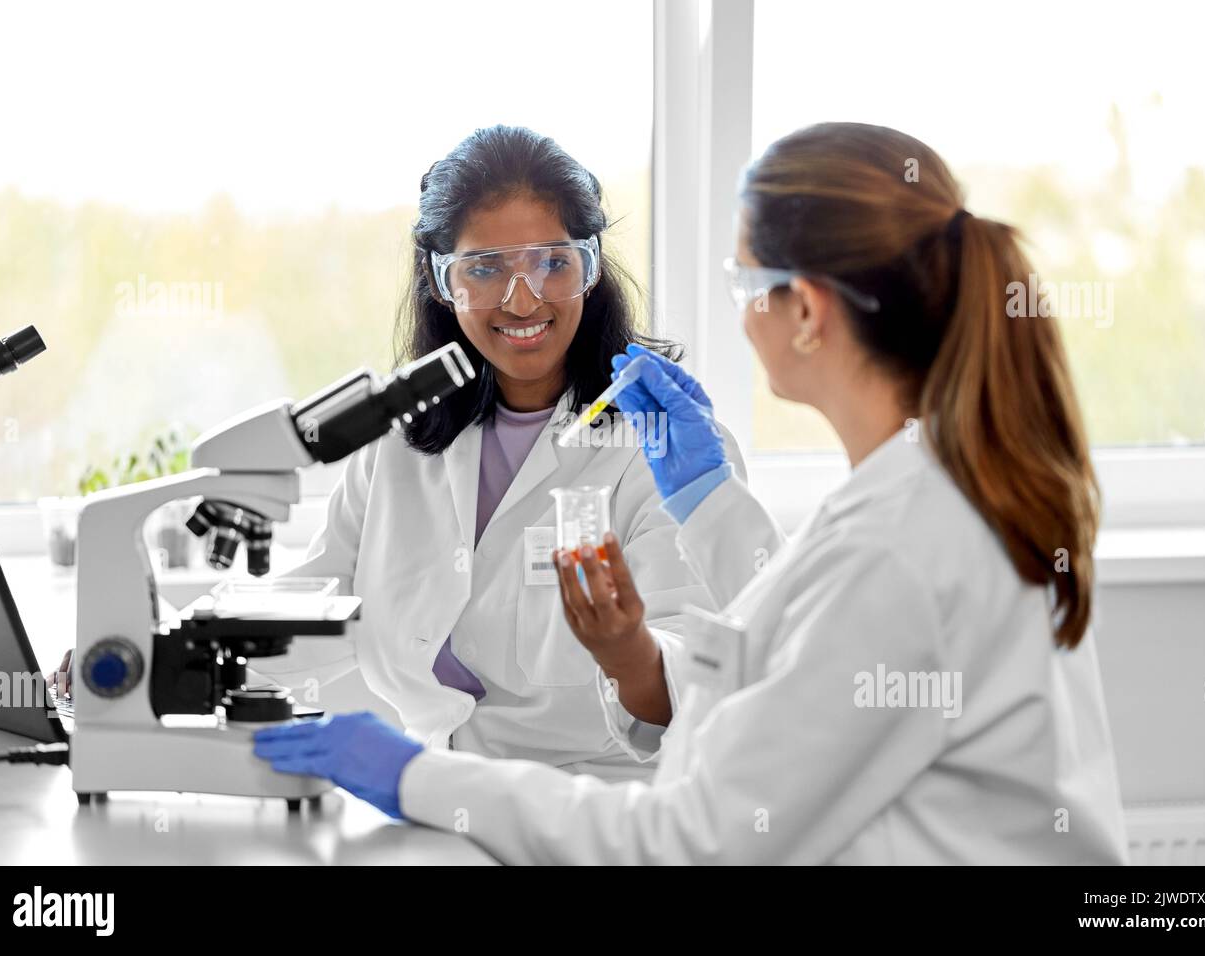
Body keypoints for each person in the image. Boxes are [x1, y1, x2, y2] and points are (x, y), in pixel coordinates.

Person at [253, 122, 1129, 864]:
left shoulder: (903, 542)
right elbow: (783, 673)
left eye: (745, 283)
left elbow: (699, 837)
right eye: (485, 268)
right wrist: (710, 507)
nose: (741, 316)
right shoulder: (926, 495)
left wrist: (411, 773)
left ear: (809, 311)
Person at [56, 125, 744, 783]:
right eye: (484, 268)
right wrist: (155, 661)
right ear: (443, 283)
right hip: (434, 798)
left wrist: (627, 651)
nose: (523, 296)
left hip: (602, 812)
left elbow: (698, 678)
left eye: (553, 262)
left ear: (589, 268)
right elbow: (322, 592)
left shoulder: (661, 443)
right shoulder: (400, 437)